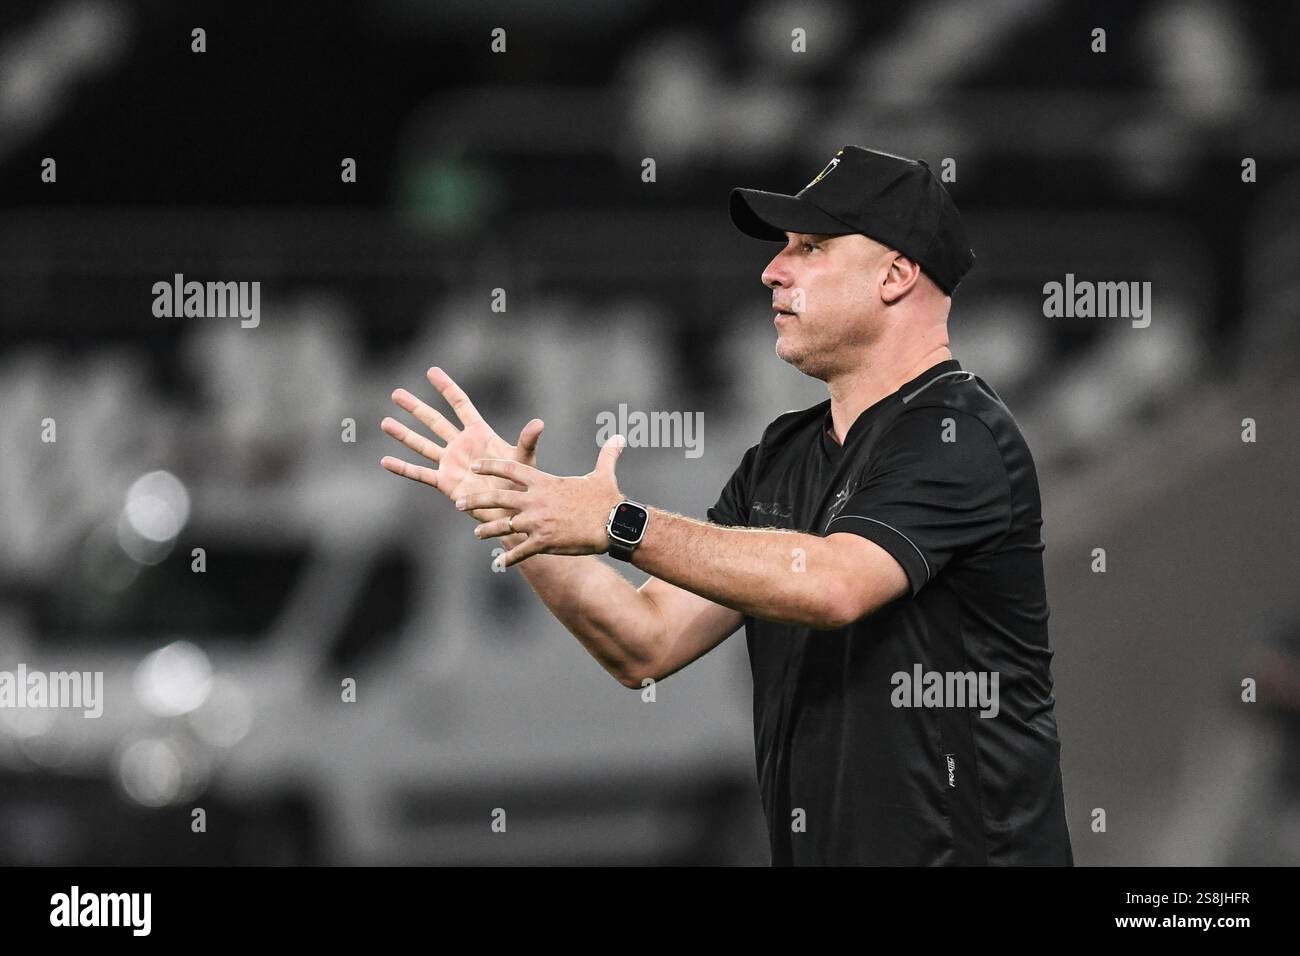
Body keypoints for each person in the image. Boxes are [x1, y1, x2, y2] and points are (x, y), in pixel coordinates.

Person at [380, 146, 1073, 866]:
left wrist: (620, 525)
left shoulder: (958, 433)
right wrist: (520, 507)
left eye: (810, 247)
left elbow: (833, 584)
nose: (774, 270)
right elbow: (644, 641)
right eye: (782, 249)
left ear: (896, 274)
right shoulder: (782, 454)